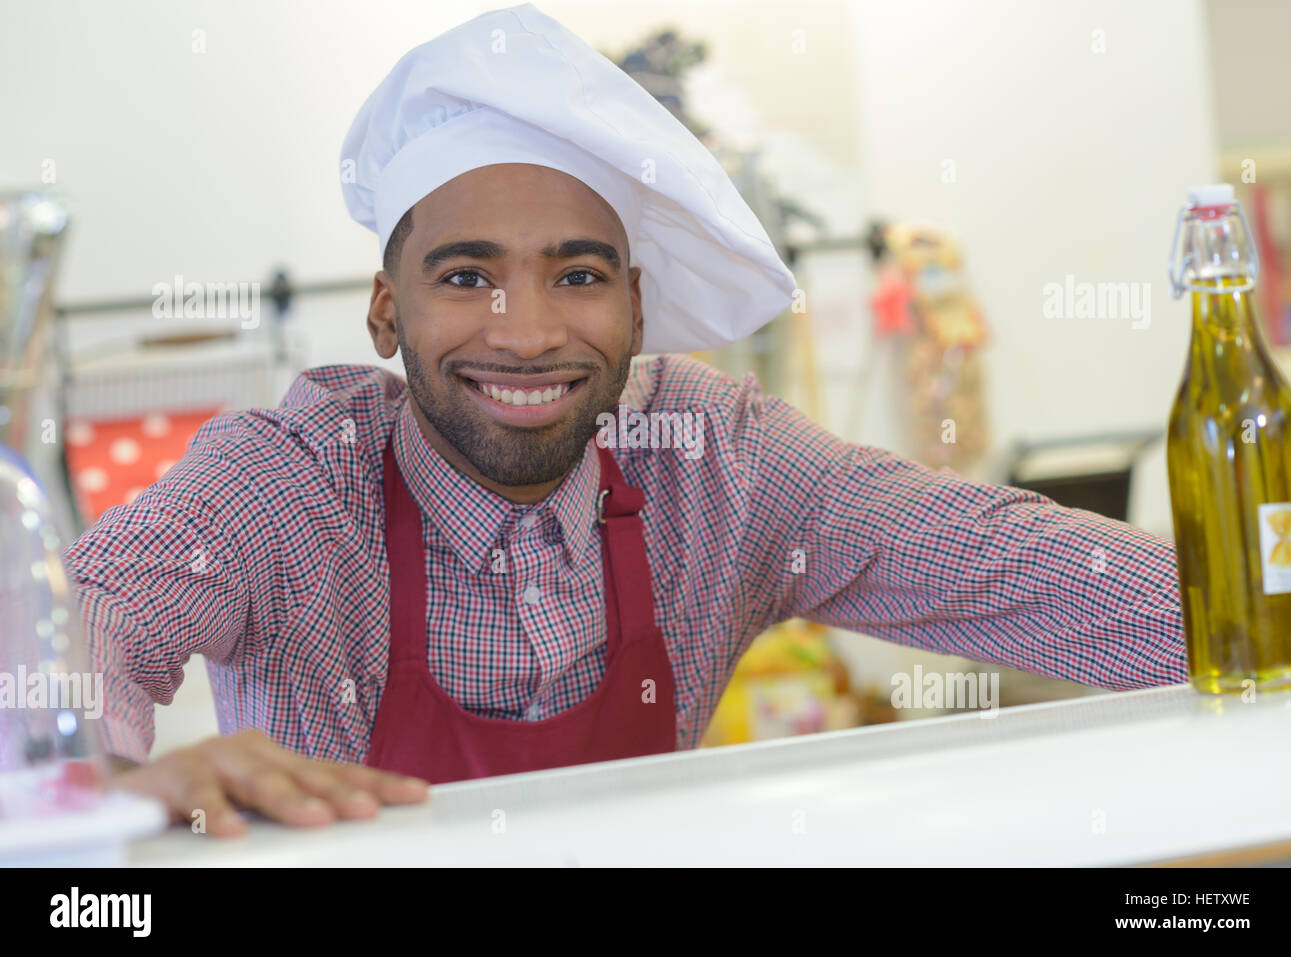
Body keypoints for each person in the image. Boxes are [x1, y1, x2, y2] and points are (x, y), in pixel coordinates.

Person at [65, 3, 1187, 838]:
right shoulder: (290, 481)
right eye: (466, 277)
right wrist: (98, 777)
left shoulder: (719, 462)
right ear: (384, 310)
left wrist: (1253, 603)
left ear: (637, 307)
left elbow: (1015, 567)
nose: (525, 332)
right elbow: (89, 616)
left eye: (578, 275)